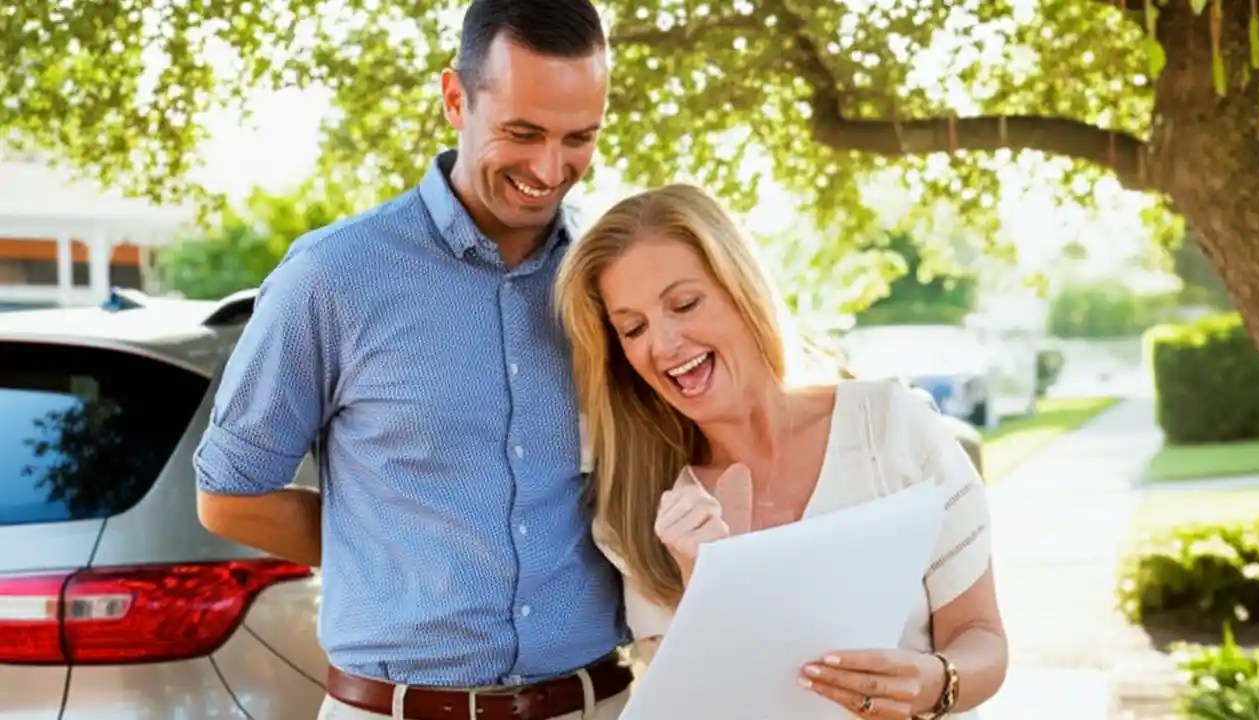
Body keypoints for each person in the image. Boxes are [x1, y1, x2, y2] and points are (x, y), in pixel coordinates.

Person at [193, 2, 634, 718]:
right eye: (522, 133)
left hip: (598, 704)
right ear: (455, 99)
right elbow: (229, 494)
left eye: (579, 137)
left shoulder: (612, 274)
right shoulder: (333, 277)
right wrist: (402, 558)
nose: (550, 168)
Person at [553, 184, 1009, 719]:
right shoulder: (645, 513)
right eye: (633, 328)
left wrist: (933, 682)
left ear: (740, 288)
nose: (663, 344)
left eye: (685, 304)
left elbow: (980, 636)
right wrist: (706, 584)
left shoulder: (890, 426)